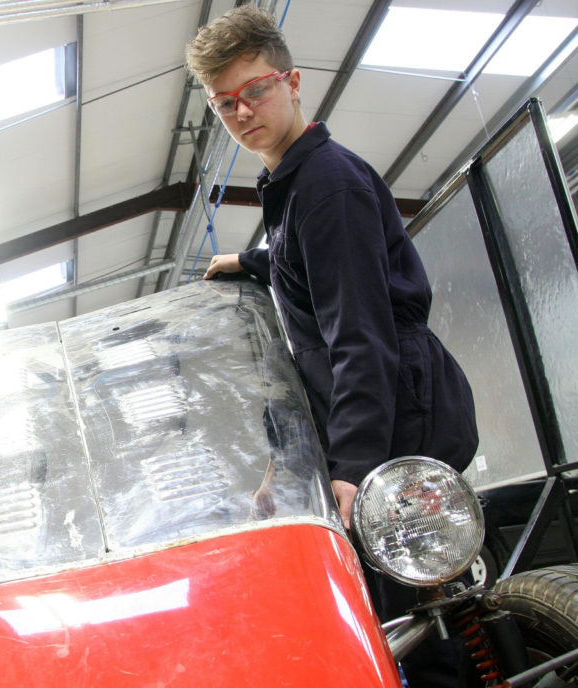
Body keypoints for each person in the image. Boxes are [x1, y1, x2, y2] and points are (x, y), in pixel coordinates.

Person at [186, 8, 478, 688]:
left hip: (400, 422)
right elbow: (313, 271)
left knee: (423, 630)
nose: (241, 110)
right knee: (418, 616)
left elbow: (360, 333)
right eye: (224, 102)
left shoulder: (325, 186)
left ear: (293, 82)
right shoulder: (294, 189)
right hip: (392, 415)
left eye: (254, 90)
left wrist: (354, 465)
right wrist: (255, 261)